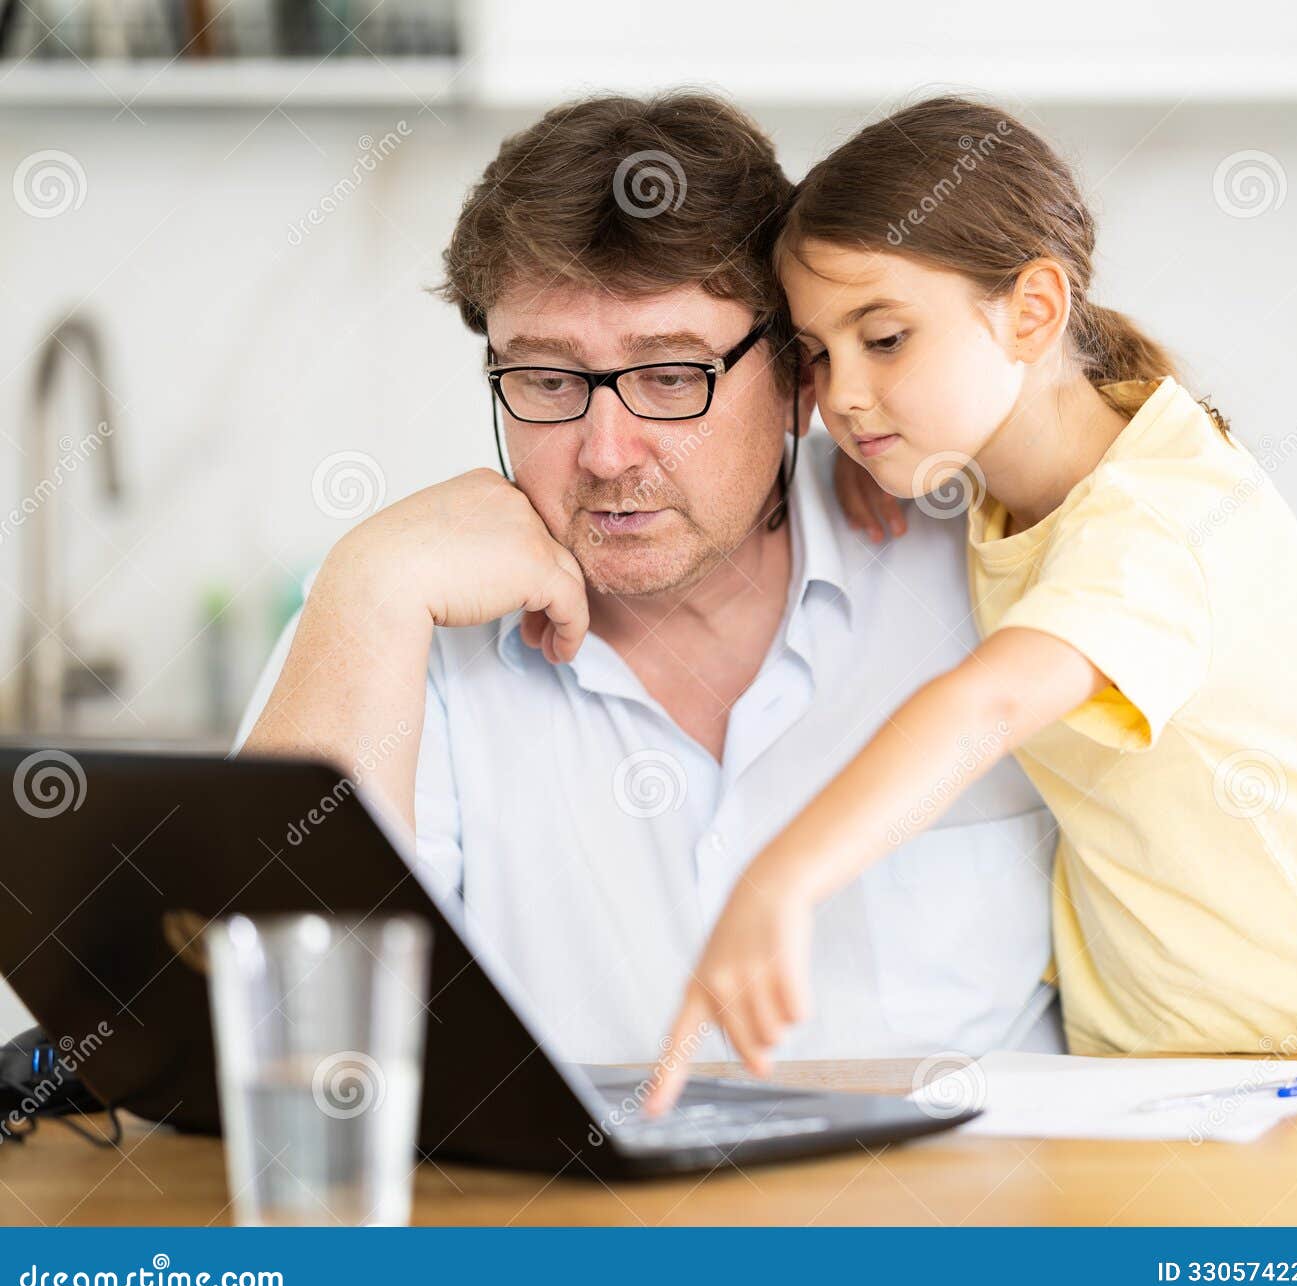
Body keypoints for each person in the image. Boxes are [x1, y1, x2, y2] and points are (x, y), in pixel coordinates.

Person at [646, 96, 1297, 1113]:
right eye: (818, 355)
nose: (840, 395)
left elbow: (985, 705)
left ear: (1030, 311)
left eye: (883, 339)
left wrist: (780, 880)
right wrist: (887, 451)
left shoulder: (1156, 520)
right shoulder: (1004, 464)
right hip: (1173, 1071)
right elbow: (919, 423)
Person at [233, 92, 1063, 1067]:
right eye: (546, 380)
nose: (604, 451)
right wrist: (364, 584)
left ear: (801, 378)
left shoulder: (992, 554)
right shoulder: (389, 626)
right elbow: (278, 1051)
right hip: (574, 1224)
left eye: (671, 375)